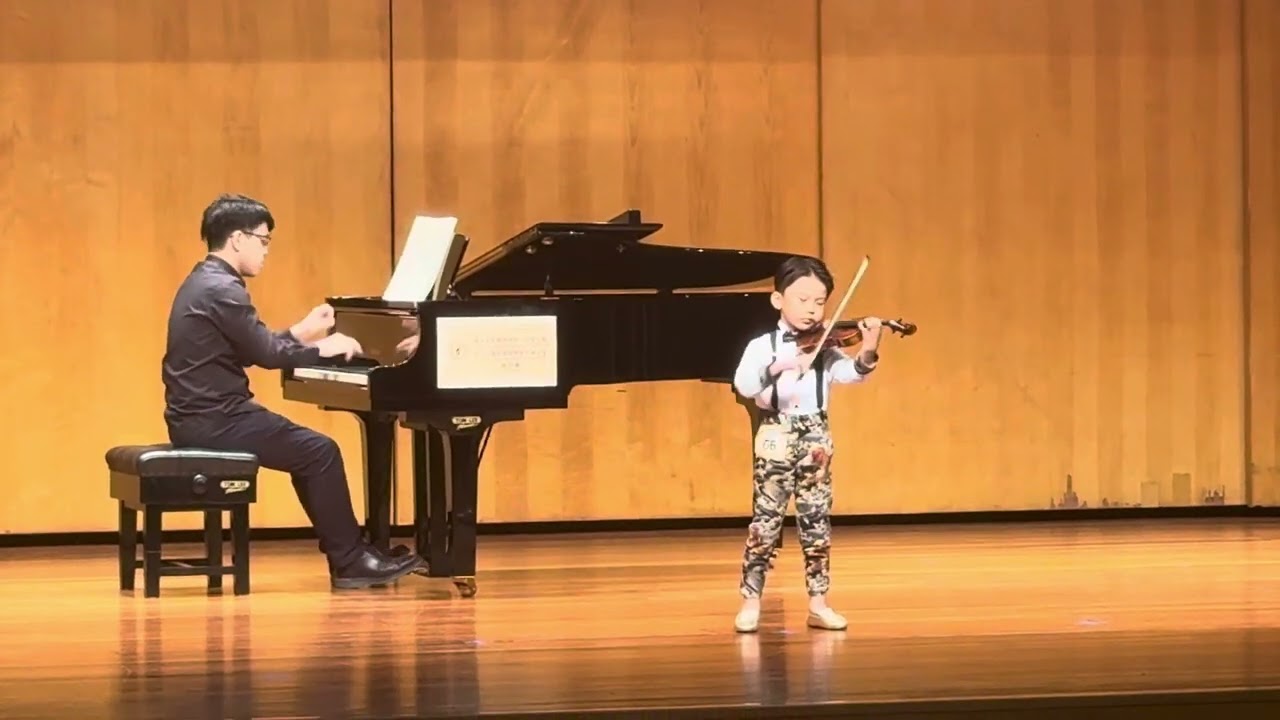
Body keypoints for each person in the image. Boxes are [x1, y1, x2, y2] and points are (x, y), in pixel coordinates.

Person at [161, 193, 422, 589]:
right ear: (237, 239)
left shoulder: (206, 281)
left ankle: (355, 551)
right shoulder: (223, 290)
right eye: (263, 241)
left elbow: (253, 348)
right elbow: (266, 354)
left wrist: (303, 331)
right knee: (319, 451)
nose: (266, 251)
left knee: (311, 451)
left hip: (201, 416)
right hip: (215, 421)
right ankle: (350, 560)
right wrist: (323, 347)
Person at [729, 256, 884, 633]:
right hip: (776, 434)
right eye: (802, 300)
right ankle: (751, 602)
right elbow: (745, 387)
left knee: (816, 522)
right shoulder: (761, 346)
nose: (812, 310)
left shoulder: (826, 345)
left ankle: (819, 602)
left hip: (816, 436)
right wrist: (777, 365)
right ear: (778, 300)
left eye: (819, 302)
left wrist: (868, 349)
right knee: (764, 524)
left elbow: (850, 375)